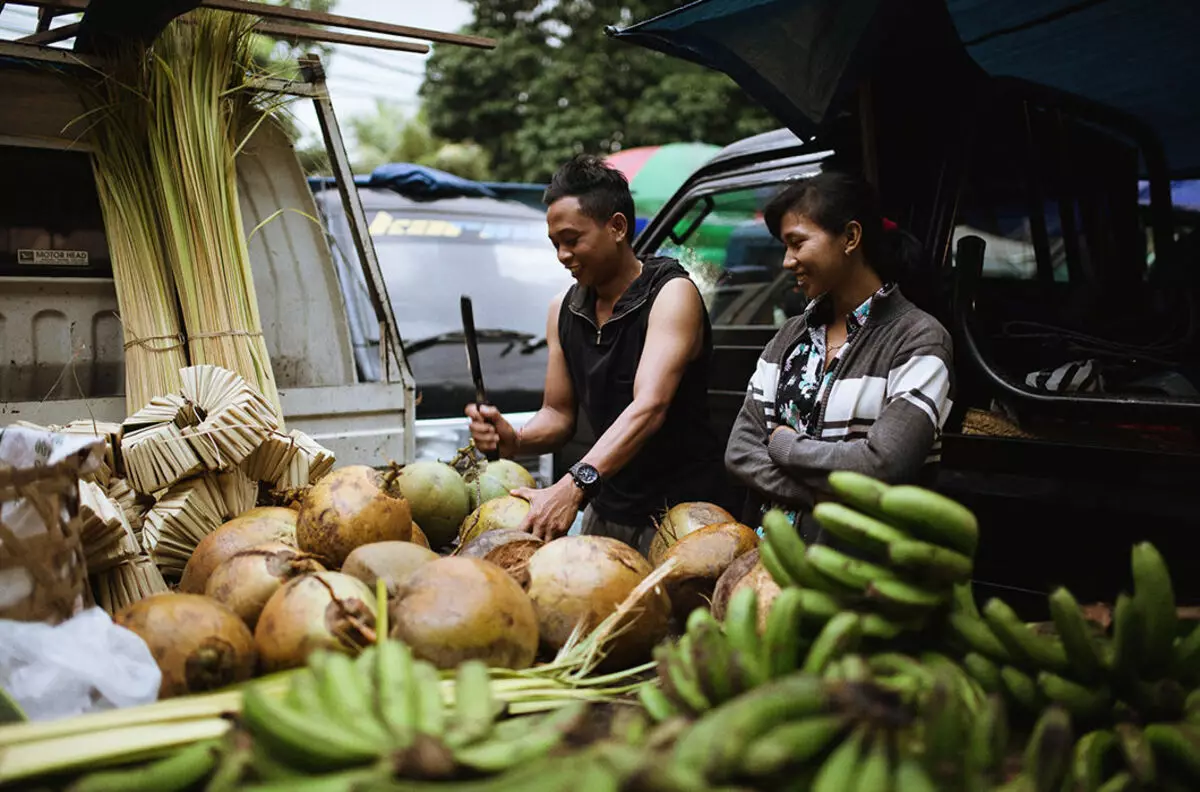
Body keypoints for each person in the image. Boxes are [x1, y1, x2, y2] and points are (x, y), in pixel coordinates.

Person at [466, 154, 730, 555]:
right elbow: (558, 415)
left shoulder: (671, 294)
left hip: (683, 517)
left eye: (572, 240)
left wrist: (574, 485)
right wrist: (514, 438)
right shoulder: (563, 310)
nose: (562, 255)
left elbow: (650, 406)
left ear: (617, 227)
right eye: (555, 244)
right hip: (606, 511)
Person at [724, 171, 954, 542]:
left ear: (850, 237)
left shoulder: (919, 340)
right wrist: (819, 496)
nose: (787, 261)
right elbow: (740, 451)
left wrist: (783, 445)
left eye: (797, 243)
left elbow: (884, 464)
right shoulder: (788, 338)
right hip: (770, 561)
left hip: (862, 574)